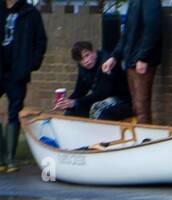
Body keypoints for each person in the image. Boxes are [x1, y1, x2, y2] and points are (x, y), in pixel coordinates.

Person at [0, 0, 47, 173]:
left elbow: (41, 40)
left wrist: (31, 64)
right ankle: (1, 158)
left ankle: (10, 160)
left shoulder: (30, 13)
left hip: (17, 71)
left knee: (14, 111)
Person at [102, 0, 161, 125]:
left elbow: (153, 29)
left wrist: (143, 57)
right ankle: (141, 137)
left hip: (141, 60)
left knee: (141, 108)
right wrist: (114, 57)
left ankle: (146, 140)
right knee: (135, 106)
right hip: (131, 59)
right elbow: (127, 34)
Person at [57, 41, 132, 121]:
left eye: (87, 55)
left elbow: (102, 92)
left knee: (98, 111)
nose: (85, 61)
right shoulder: (83, 69)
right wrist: (65, 103)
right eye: (81, 59)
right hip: (101, 101)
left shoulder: (106, 62)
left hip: (122, 100)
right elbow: (79, 91)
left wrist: (75, 102)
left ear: (94, 52)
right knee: (72, 110)